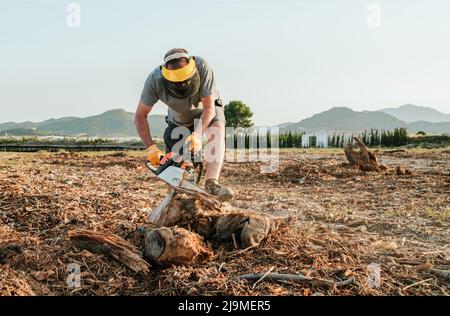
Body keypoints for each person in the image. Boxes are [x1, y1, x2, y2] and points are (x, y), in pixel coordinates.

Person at [134, 48, 234, 201]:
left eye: (186, 81)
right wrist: (151, 148)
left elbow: (209, 108)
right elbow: (140, 115)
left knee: (217, 131)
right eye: (177, 83)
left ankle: (212, 183)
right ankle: (181, 191)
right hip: (178, 119)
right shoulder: (154, 81)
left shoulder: (202, 67)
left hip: (207, 111)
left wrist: (198, 135)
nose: (182, 85)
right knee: (176, 169)